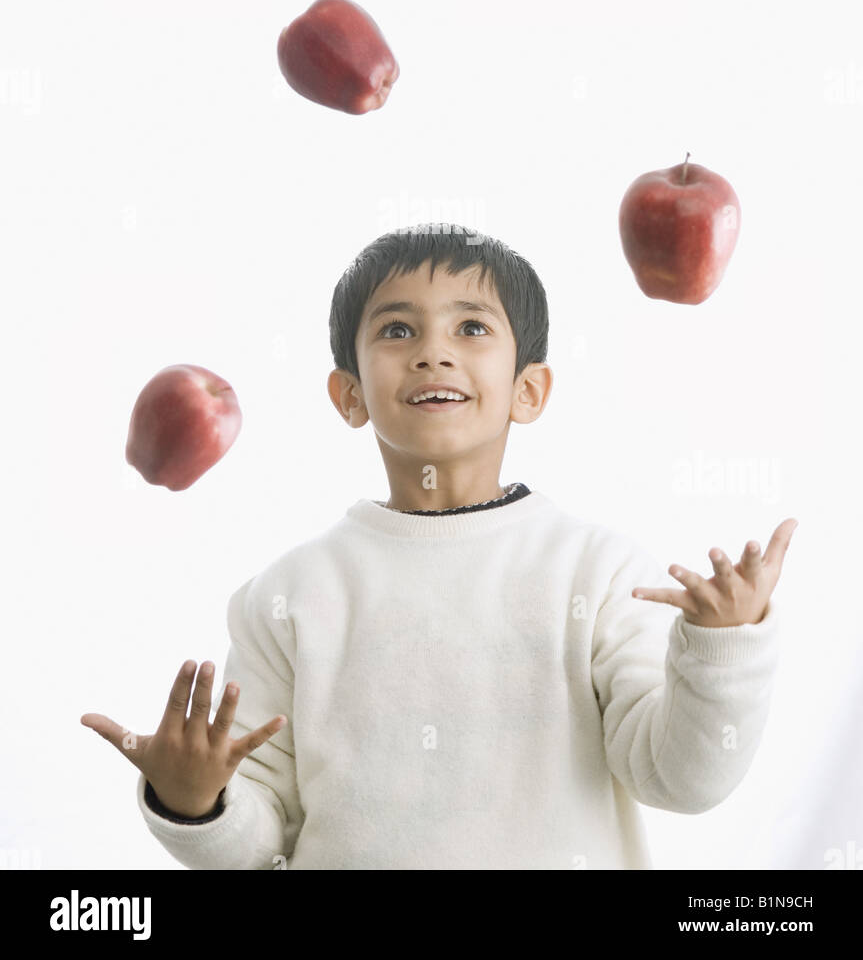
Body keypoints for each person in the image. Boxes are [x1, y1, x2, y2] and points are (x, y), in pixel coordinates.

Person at [81, 223, 797, 869]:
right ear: (349, 394)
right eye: (397, 331)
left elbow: (678, 779)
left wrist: (720, 648)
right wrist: (194, 805)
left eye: (471, 329)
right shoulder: (286, 594)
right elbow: (261, 835)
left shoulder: (598, 572)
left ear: (528, 390)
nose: (432, 354)